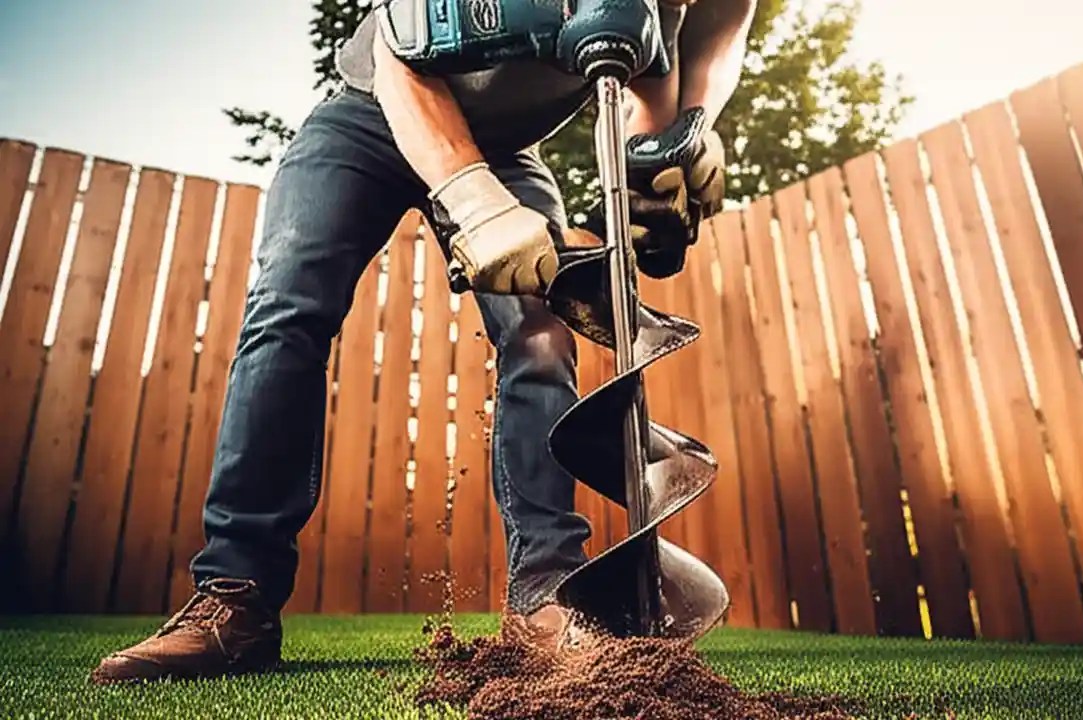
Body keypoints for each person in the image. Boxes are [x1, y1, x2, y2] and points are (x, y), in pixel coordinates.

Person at [90, 0, 753, 684]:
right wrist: (472, 199)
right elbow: (402, 54)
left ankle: (548, 601)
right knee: (289, 304)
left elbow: (669, 68)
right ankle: (237, 597)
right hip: (371, 112)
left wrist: (673, 146)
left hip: (506, 148)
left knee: (543, 333)